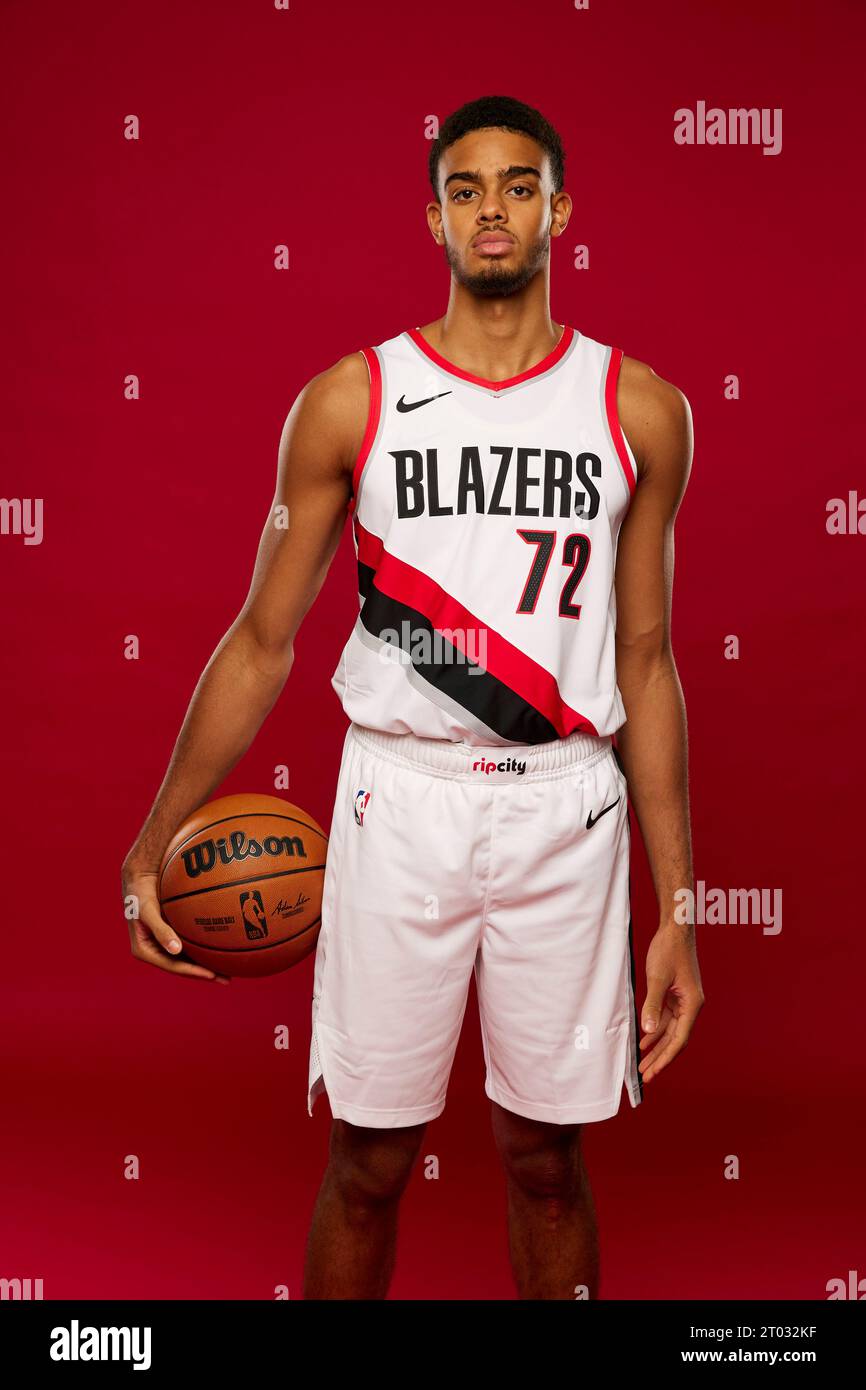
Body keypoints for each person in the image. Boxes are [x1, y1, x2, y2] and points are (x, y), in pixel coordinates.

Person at [121, 93, 704, 1300]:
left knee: (546, 1157)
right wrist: (149, 837)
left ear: (560, 211)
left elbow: (645, 665)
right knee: (369, 1158)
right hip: (402, 800)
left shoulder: (638, 408)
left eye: (517, 186)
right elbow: (261, 638)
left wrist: (680, 903)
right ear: (432, 218)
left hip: (567, 807)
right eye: (464, 189)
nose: (491, 210)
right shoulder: (350, 399)